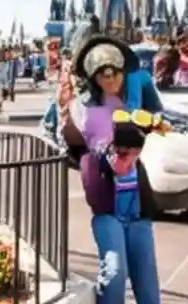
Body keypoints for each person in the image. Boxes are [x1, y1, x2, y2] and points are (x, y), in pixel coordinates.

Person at [66, 35, 165, 304]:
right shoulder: (81, 107)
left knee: (146, 276)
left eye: (115, 73)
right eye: (103, 74)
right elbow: (65, 140)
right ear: (94, 77)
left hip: (137, 201)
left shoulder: (133, 103)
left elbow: (159, 118)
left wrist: (151, 128)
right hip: (107, 200)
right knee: (115, 273)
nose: (110, 79)